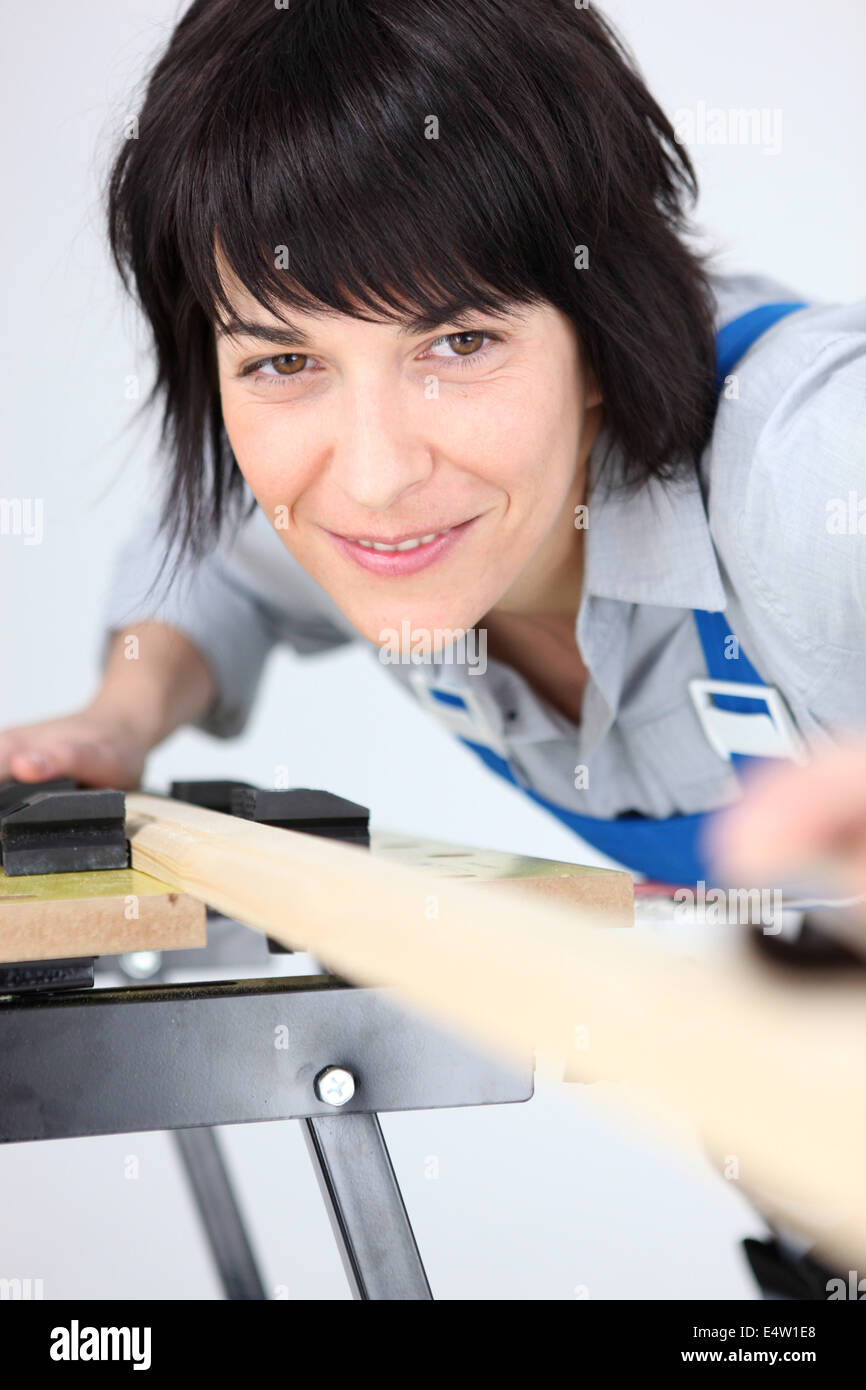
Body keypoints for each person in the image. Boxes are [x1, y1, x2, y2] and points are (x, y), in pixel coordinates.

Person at [2, 0, 864, 896]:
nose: (374, 482)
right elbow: (217, 566)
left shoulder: (809, 474)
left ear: (608, 328)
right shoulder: (329, 503)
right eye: (286, 360)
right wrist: (119, 719)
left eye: (458, 346)